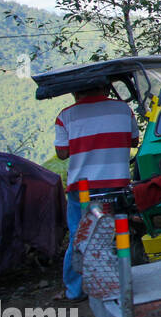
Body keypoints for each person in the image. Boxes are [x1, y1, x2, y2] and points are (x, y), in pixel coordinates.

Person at [54, 82, 140, 302]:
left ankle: (76, 290)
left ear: (75, 91)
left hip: (82, 187)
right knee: (117, 232)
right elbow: (133, 140)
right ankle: (120, 284)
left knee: (79, 234)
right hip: (116, 182)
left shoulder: (66, 116)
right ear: (106, 89)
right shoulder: (123, 109)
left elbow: (62, 153)